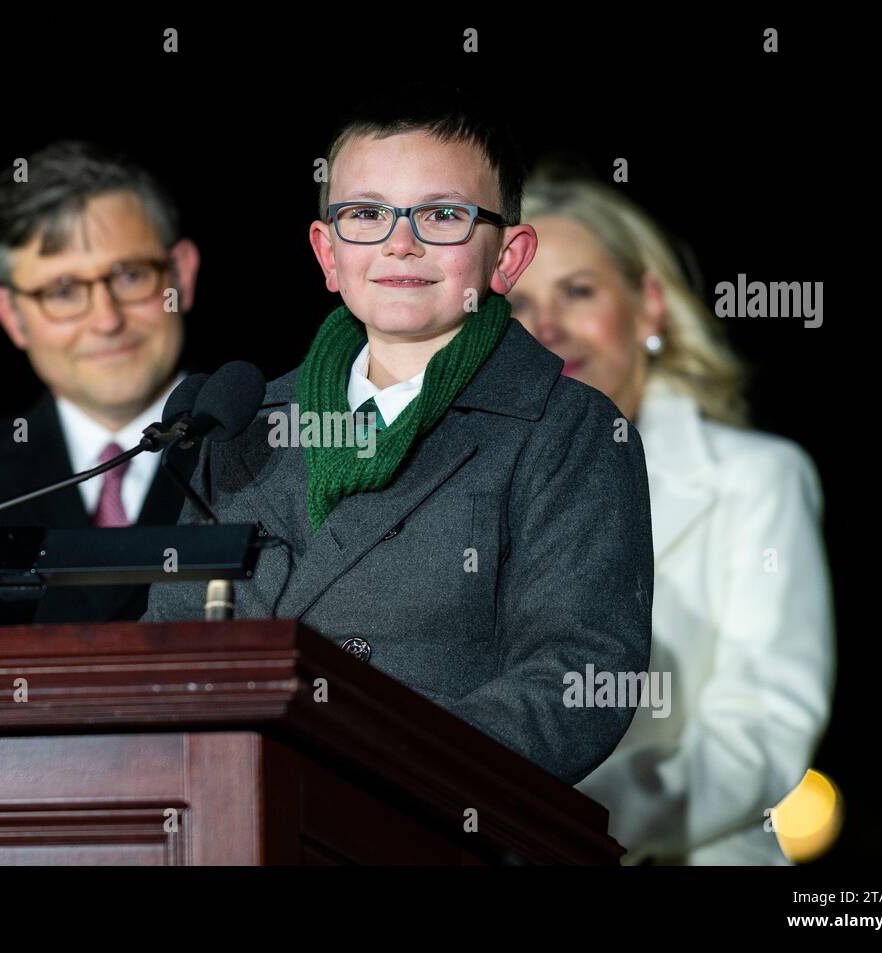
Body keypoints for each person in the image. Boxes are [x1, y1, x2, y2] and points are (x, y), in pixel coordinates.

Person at [142, 86, 654, 786]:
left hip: (422, 820)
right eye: (366, 214)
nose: (400, 242)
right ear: (326, 252)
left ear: (508, 255)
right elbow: (169, 642)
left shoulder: (568, 431)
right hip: (228, 809)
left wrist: (377, 760)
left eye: (443, 215)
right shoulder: (244, 420)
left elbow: (576, 677)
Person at [509, 170, 834, 862]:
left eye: (578, 291)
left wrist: (570, 821)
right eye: (517, 305)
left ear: (648, 306)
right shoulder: (473, 488)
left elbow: (761, 730)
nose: (547, 326)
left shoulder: (756, 478)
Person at [0, 141, 200, 627]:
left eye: (130, 276)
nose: (106, 319)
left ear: (182, 273)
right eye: (63, 291)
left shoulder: (277, 454)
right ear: (9, 314)